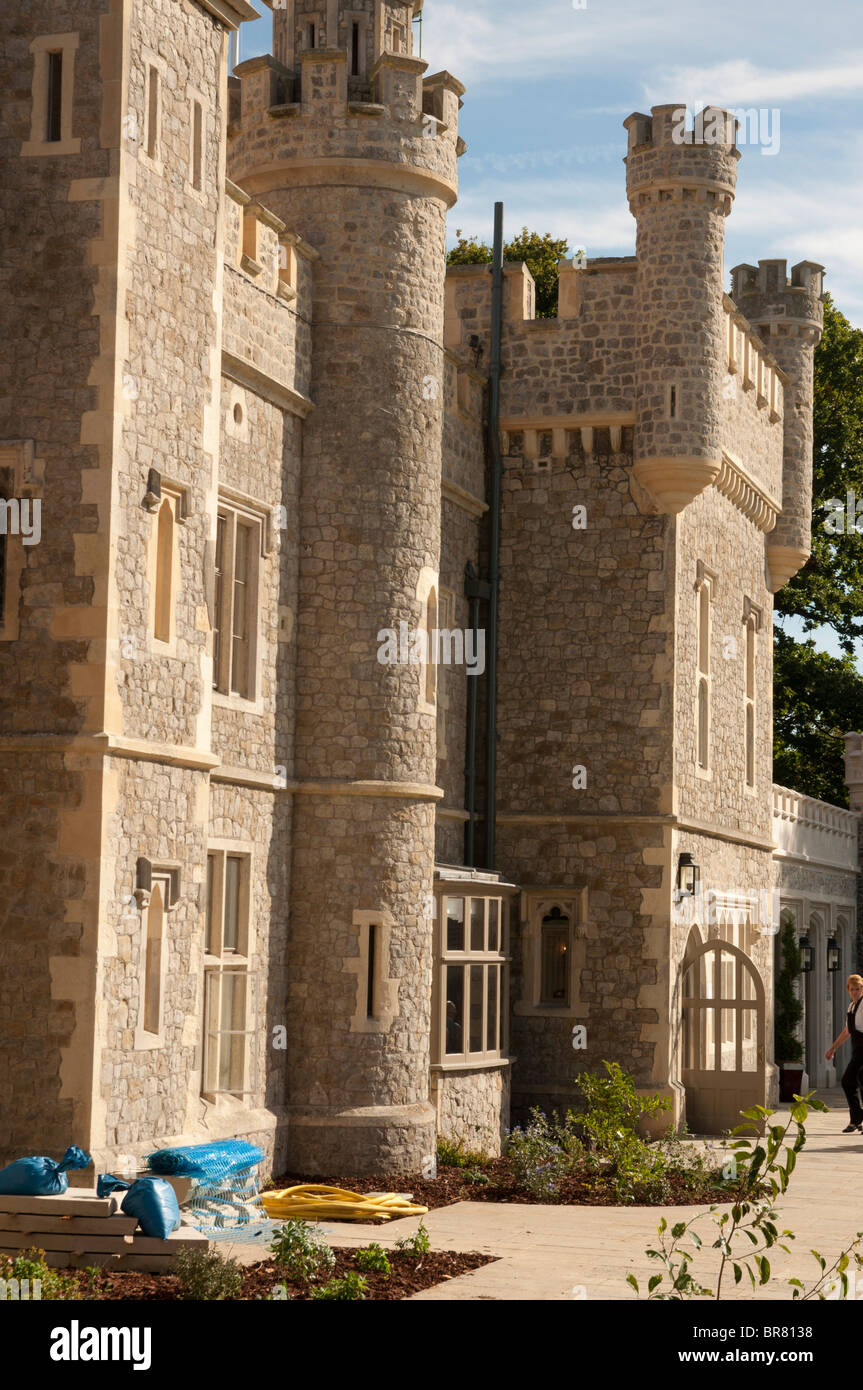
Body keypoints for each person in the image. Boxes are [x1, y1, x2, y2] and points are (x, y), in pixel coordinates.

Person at [825, 974, 863, 1133]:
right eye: (852, 989)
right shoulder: (851, 1007)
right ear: (848, 990)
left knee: (851, 1080)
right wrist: (833, 1047)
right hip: (857, 1048)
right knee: (854, 1082)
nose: (855, 992)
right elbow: (847, 1031)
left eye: (858, 989)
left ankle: (856, 1119)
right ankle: (856, 1120)